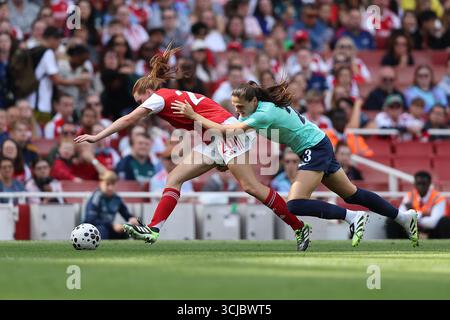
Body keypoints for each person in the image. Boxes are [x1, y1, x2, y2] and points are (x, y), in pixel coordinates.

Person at [75, 46, 309, 251]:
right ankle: (154, 229)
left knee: (251, 187)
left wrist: (97, 136)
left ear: (148, 93)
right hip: (215, 138)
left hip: (225, 132)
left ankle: (299, 227)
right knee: (174, 177)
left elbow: (127, 120)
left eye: (140, 101)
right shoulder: (167, 97)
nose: (141, 107)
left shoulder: (158, 97)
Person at [172, 80, 420, 248]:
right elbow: (237, 134)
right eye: (235, 106)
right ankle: (403, 218)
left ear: (254, 102)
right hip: (318, 144)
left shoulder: (263, 113)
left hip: (315, 148)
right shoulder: (256, 110)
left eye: (240, 107)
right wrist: (227, 159)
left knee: (294, 203)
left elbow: (227, 130)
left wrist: (194, 116)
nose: (238, 111)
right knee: (352, 193)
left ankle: (352, 217)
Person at [386, 171, 450, 239]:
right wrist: (422, 215)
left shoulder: (438, 198)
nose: (421, 186)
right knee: (392, 220)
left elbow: (433, 223)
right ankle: (394, 246)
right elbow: (402, 217)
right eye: (418, 183)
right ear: (414, 184)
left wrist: (412, 215)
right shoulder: (409, 196)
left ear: (429, 184)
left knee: (445, 221)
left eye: (424, 184)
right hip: (411, 231)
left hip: (431, 233)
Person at [84, 170, 139, 240]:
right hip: (90, 231)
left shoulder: (117, 199)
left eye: (113, 184)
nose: (110, 188)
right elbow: (90, 220)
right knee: (102, 230)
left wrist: (133, 220)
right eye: (107, 184)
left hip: (109, 228)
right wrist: (112, 225)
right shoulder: (96, 198)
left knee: (130, 229)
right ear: (101, 183)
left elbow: (126, 215)